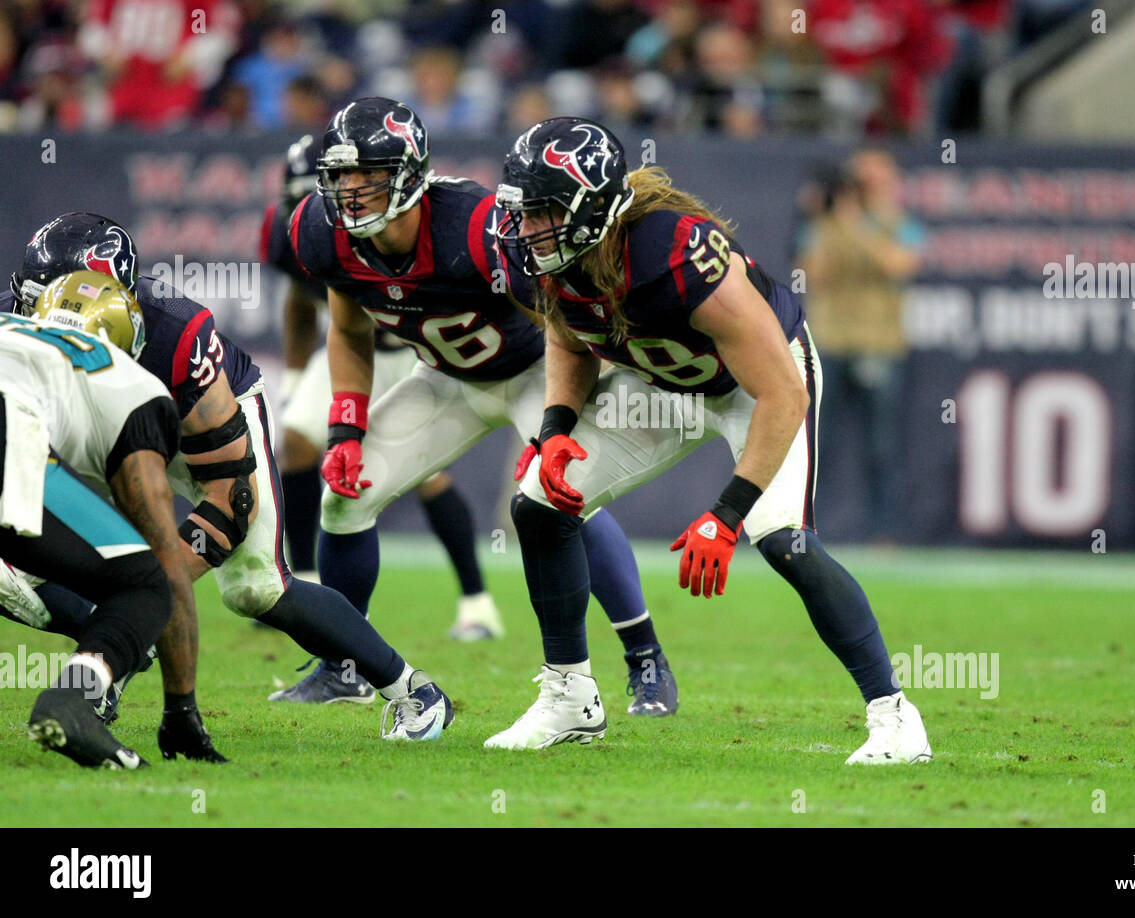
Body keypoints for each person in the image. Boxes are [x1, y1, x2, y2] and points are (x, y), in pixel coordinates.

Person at [487, 117, 931, 763]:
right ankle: (569, 698)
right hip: (661, 385)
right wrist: (556, 430)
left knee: (786, 541)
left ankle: (895, 716)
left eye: (545, 211)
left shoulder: (674, 251)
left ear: (592, 208)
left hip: (760, 386)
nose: (527, 228)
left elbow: (783, 394)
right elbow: (567, 335)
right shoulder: (544, 257)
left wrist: (726, 517)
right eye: (524, 212)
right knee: (539, 504)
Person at [287, 97, 679, 717]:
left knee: (564, 496)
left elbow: (561, 326)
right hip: (445, 380)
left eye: (367, 173)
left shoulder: (476, 226)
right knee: (345, 496)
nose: (349, 190)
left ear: (409, 172)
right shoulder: (321, 232)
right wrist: (345, 424)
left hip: (532, 373)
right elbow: (349, 331)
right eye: (340, 175)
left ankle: (645, 658)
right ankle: (344, 664)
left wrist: (560, 424)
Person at [6, 218, 451, 741]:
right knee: (20, 562)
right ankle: (112, 651)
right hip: (103, 426)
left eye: (67, 311)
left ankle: (412, 689)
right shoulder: (12, 331)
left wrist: (156, 582)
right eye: (36, 304)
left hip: (196, 435)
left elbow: (232, 498)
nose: (42, 323)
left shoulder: (177, 340)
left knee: (256, 588)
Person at [264, 133, 507, 646]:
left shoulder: (439, 225)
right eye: (333, 188)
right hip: (347, 349)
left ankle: (476, 601)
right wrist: (292, 378)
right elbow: (303, 305)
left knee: (426, 477)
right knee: (301, 444)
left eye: (360, 185)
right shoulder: (303, 232)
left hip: (407, 351)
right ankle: (305, 586)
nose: (347, 202)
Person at [0, 282, 193, 768]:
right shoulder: (131, 382)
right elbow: (164, 556)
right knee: (145, 584)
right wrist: (180, 707)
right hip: (9, 427)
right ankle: (72, 702)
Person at [798, 150, 922, 541]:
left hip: (879, 344)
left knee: (881, 446)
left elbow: (898, 266)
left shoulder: (901, 223)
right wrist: (824, 220)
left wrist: (855, 225)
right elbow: (812, 275)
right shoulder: (824, 223)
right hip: (832, 341)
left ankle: (885, 534)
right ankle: (796, 525)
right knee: (815, 443)